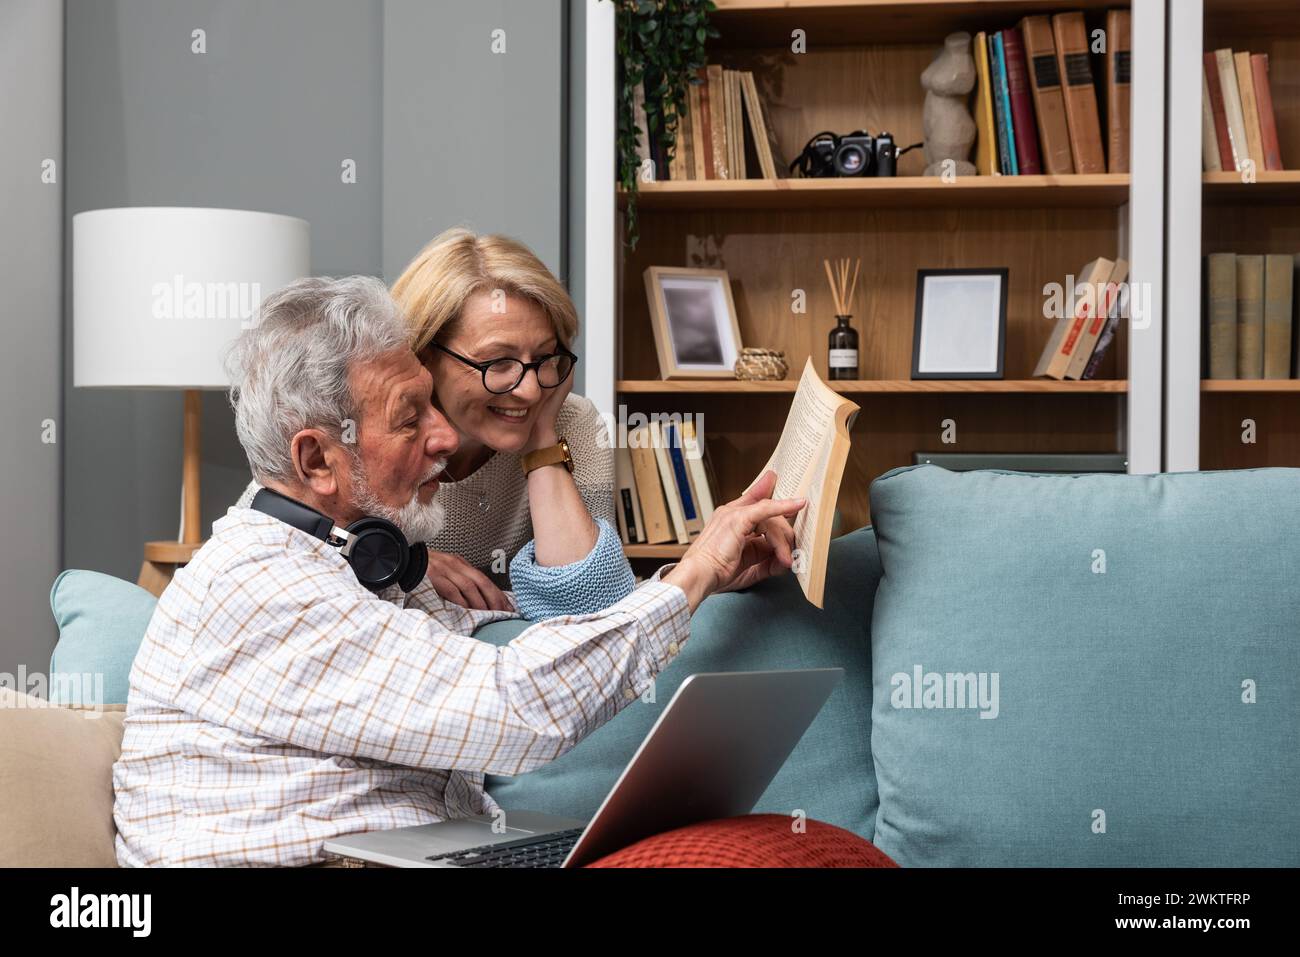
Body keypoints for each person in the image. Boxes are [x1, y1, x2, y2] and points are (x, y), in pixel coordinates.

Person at [113, 276, 803, 867]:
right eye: (410, 419)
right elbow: (518, 705)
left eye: (429, 405)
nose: (443, 437)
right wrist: (696, 570)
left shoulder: (356, 557)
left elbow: (545, 643)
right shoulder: (265, 587)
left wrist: (709, 582)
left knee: (758, 844)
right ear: (317, 460)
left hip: (420, 851)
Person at [235, 228, 619, 615]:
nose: (532, 391)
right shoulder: (359, 429)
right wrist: (400, 563)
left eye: (544, 358)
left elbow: (595, 609)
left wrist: (542, 443)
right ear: (423, 352)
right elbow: (272, 545)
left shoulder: (569, 420)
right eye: (498, 363)